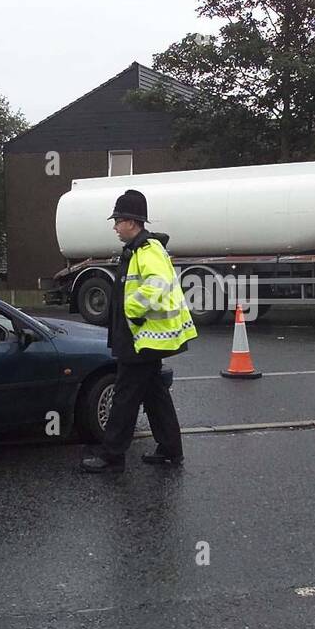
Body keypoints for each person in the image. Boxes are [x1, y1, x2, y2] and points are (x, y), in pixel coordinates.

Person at [81, 189, 197, 473]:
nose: (115, 226)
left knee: (124, 398)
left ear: (131, 222)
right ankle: (170, 449)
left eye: (117, 220)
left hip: (141, 340)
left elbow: (156, 285)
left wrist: (131, 309)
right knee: (156, 395)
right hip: (142, 339)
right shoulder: (137, 250)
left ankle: (112, 456)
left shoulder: (147, 250)